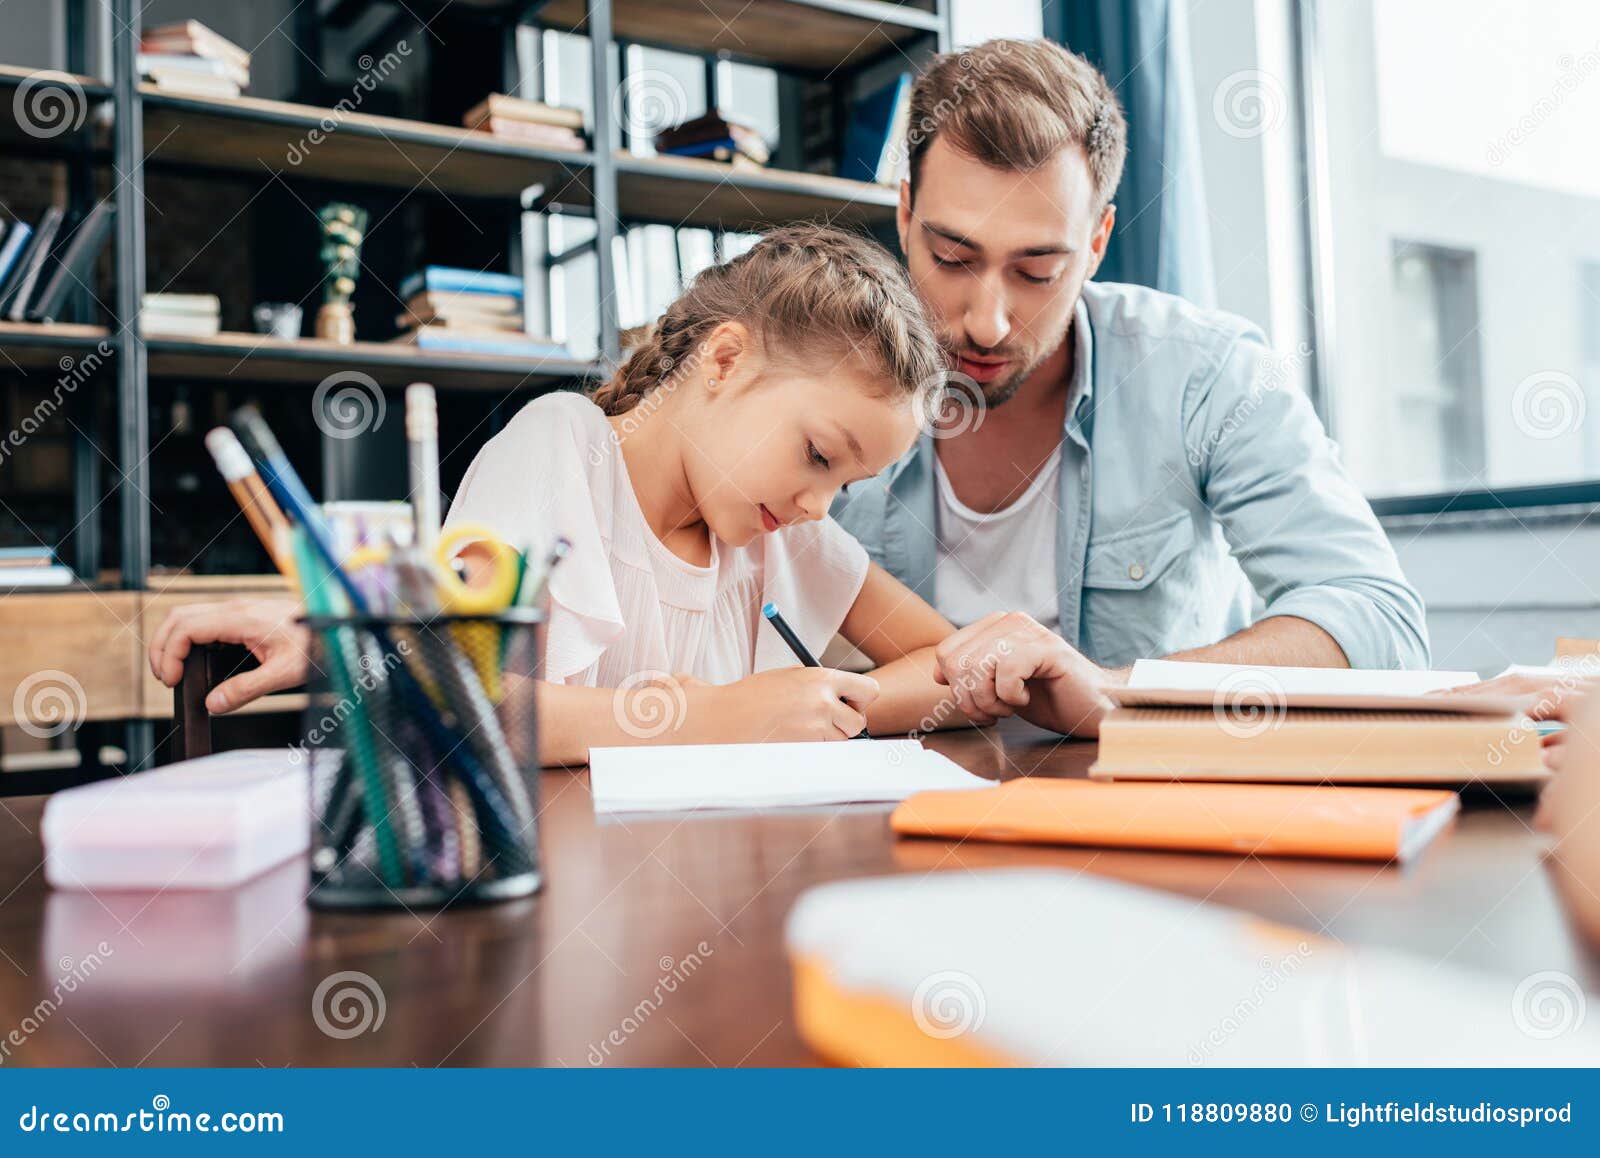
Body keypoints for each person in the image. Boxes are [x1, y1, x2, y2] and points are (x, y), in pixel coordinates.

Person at [152, 224, 974, 764]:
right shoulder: (562, 449)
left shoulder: (780, 532)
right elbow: (447, 694)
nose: (821, 505)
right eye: (819, 454)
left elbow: (956, 667)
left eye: (848, 482)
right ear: (724, 362)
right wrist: (718, 718)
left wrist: (824, 707)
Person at [828, 39, 1429, 735]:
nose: (987, 323)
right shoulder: (822, 389)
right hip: (899, 813)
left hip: (1144, 814)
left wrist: (1116, 691)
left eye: (1037, 271)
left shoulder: (1206, 373)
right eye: (952, 258)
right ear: (904, 216)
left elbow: (1379, 621)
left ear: (1098, 241)